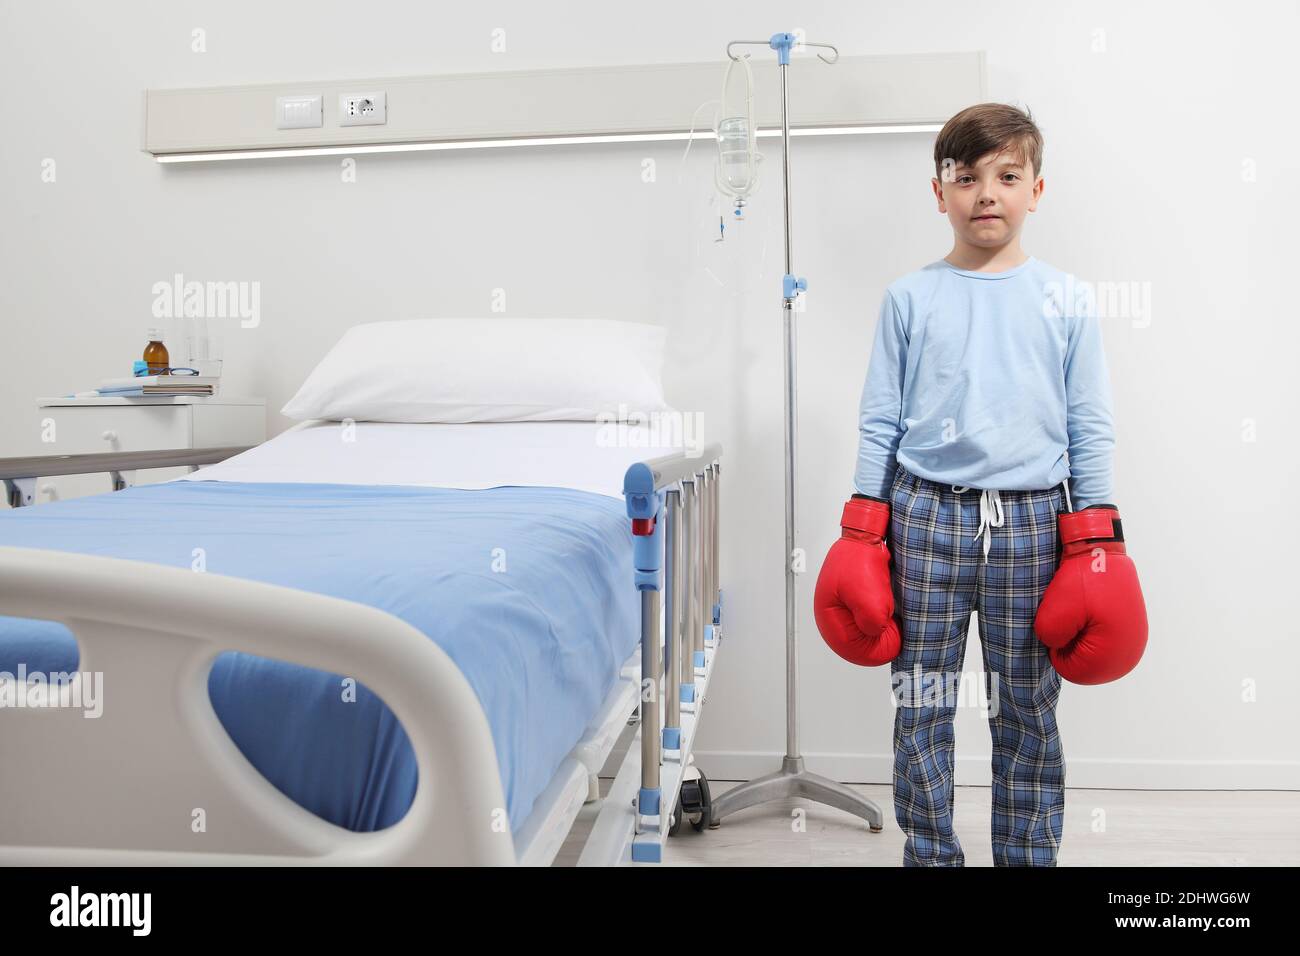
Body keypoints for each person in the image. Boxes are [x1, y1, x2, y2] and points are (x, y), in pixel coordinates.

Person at [813, 102, 1148, 867]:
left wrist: (1100, 545)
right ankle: (931, 854)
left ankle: (1027, 859)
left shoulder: (1066, 298)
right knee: (922, 702)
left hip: (1035, 522)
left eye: (1006, 175)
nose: (986, 193)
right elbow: (879, 421)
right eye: (966, 178)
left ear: (1037, 189)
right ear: (940, 194)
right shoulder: (909, 298)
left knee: (1027, 709)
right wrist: (861, 533)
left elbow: (1090, 425)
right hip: (924, 514)